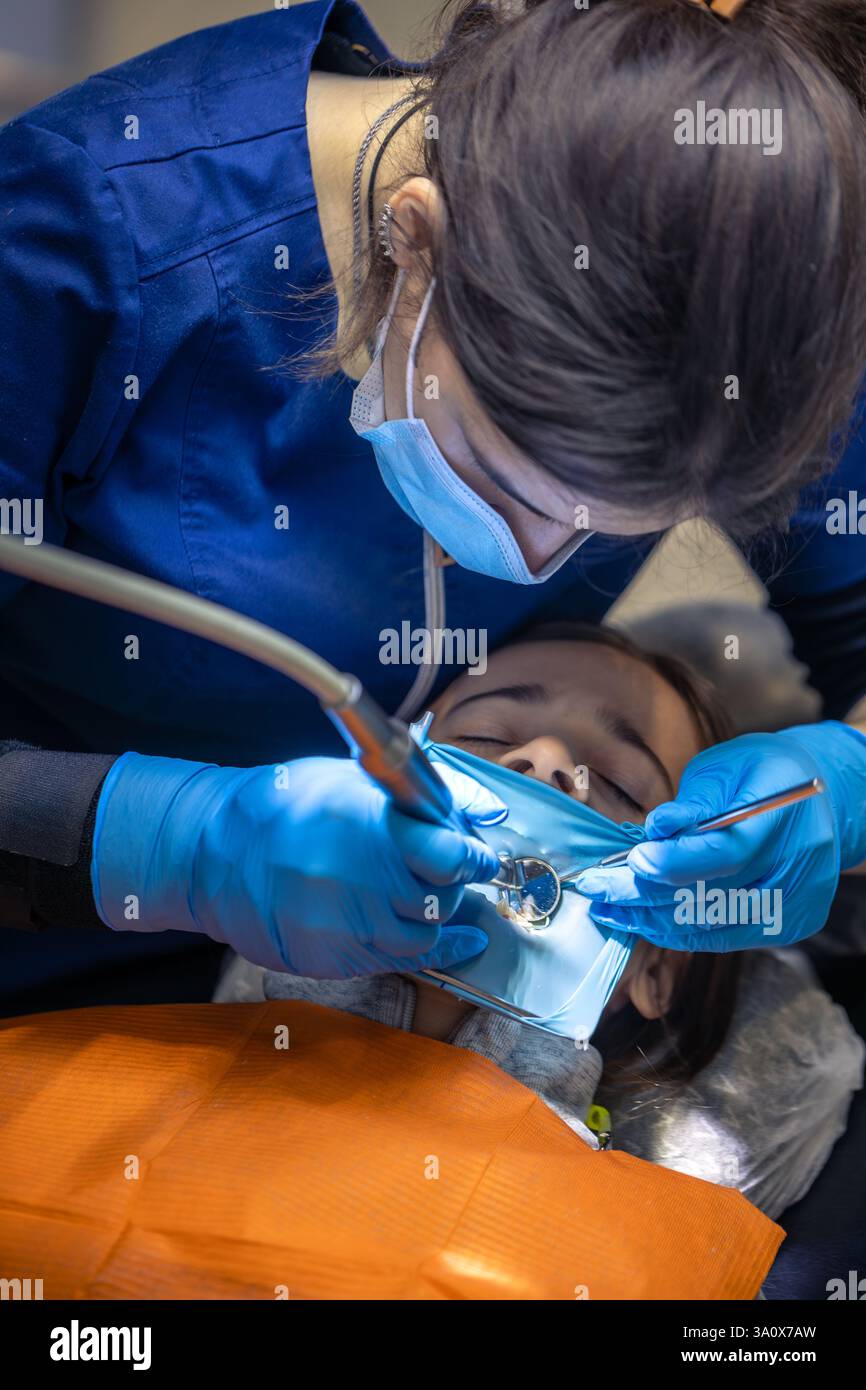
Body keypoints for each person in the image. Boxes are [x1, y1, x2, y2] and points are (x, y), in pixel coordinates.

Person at [3, 0, 866, 1013]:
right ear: (415, 238)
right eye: (505, 482)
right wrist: (172, 840)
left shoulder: (743, 300)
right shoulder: (81, 243)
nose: (529, 562)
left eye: (607, 530)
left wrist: (842, 788)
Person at [216, 622, 865, 1218]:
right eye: (486, 737)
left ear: (658, 962)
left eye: (618, 784)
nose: (548, 755)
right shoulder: (240, 1012)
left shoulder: (653, 1208)